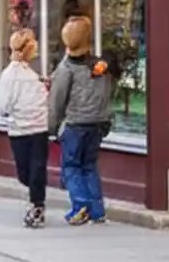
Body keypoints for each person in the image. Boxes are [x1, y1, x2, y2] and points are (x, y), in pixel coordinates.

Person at [49, 15, 116, 226]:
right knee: (89, 166)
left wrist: (51, 128)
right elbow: (106, 93)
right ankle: (97, 210)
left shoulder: (66, 69)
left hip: (75, 124)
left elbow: (56, 102)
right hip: (97, 123)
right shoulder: (100, 68)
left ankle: (81, 205)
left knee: (71, 167)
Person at [0, 28, 50, 228]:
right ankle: (36, 200)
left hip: (25, 128)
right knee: (34, 170)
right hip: (33, 127)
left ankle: (37, 205)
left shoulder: (12, 75)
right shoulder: (22, 75)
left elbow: (2, 106)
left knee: (29, 170)